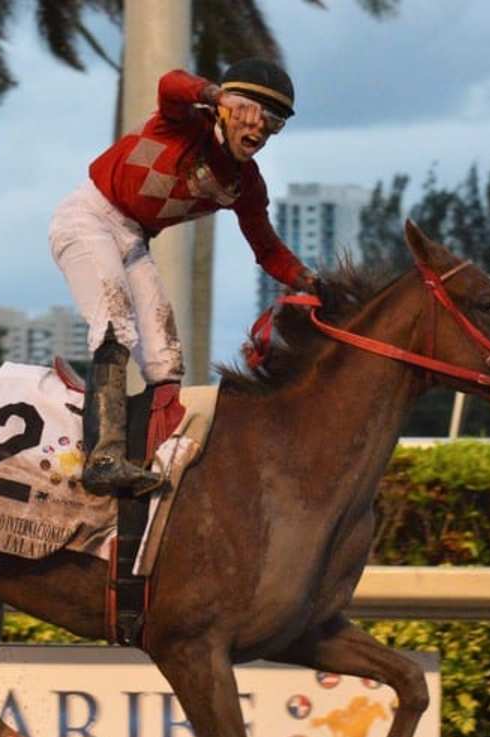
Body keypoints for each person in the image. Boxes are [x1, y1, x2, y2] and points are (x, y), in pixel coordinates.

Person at [49, 58, 320, 495]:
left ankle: (152, 454)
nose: (258, 131)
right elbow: (169, 84)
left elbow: (267, 249)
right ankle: (101, 459)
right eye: (249, 114)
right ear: (224, 111)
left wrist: (310, 280)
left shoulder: (246, 184)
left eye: (272, 123)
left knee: (165, 357)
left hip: (134, 238)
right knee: (116, 326)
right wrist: (214, 94)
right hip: (88, 218)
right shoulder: (182, 122)